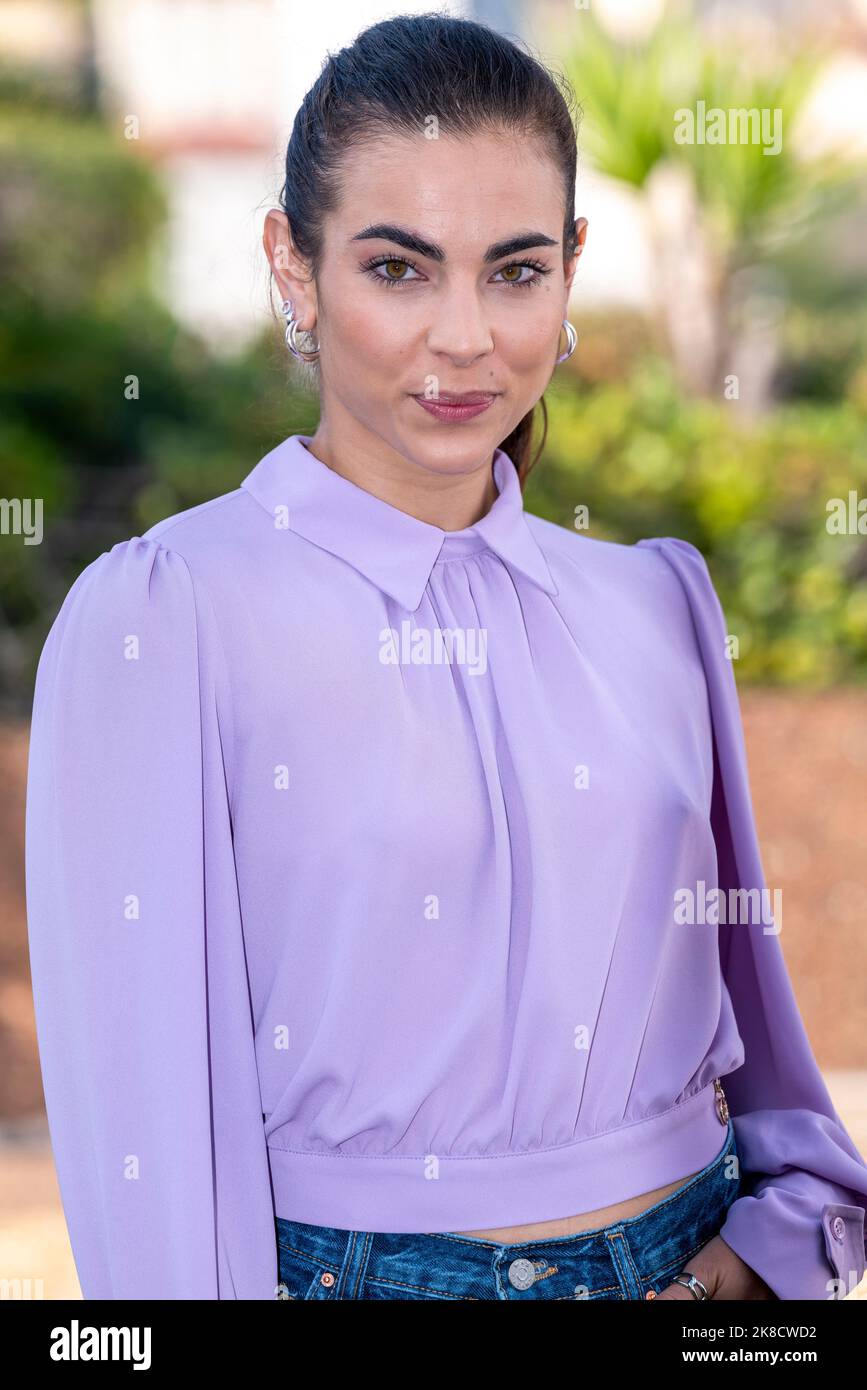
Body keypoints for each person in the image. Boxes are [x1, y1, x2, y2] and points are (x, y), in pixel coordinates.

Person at [25, 13, 867, 1302]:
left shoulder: (656, 606)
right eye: (400, 269)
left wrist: (748, 1281)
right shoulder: (169, 616)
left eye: (517, 271)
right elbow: (143, 1140)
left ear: (573, 272)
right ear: (291, 270)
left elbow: (767, 1072)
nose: (467, 338)